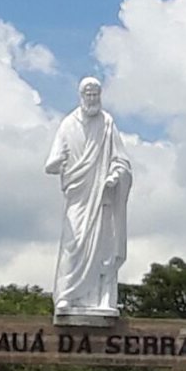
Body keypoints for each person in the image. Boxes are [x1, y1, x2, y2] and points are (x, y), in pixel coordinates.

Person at [44, 77, 133, 317]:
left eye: (96, 95)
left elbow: (121, 159)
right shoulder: (67, 125)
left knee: (103, 248)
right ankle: (67, 295)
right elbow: (51, 163)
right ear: (81, 96)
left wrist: (115, 175)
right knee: (73, 245)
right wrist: (57, 163)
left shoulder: (107, 124)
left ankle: (103, 299)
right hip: (78, 197)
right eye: (88, 95)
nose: (92, 99)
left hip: (102, 197)